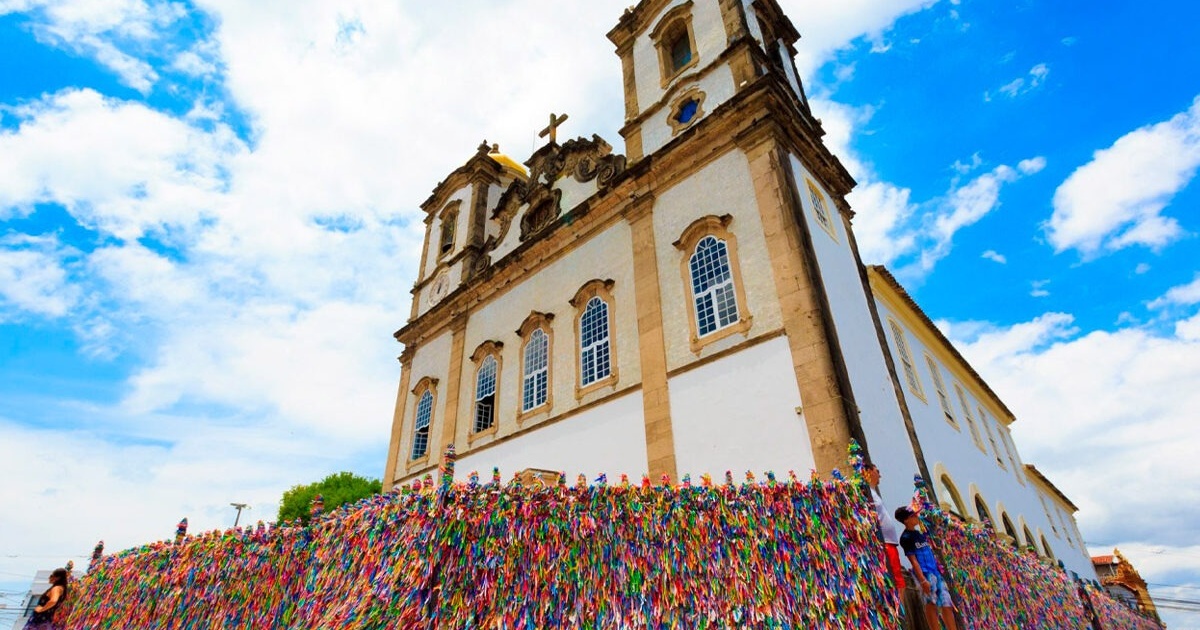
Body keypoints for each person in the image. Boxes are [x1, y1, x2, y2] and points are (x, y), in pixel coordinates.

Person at [895, 506, 958, 630]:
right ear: (906, 520)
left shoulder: (919, 534)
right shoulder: (906, 538)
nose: (917, 517)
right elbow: (913, 560)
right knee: (930, 604)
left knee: (946, 603)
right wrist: (922, 580)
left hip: (935, 572)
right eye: (913, 516)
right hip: (925, 574)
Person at [864, 463, 906, 597]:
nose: (880, 474)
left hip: (889, 543)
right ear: (869, 471)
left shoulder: (874, 492)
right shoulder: (867, 492)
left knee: (899, 582)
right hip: (884, 543)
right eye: (877, 471)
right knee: (897, 583)